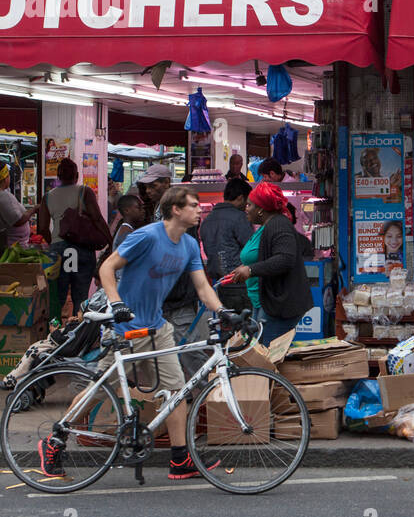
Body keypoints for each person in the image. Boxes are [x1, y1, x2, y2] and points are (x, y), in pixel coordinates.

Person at [89, 187, 231, 481]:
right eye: (193, 205)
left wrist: (224, 312)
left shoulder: (190, 245)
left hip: (157, 328)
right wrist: (116, 304)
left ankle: (180, 459)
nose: (199, 209)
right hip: (126, 328)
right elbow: (107, 267)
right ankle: (55, 440)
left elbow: (203, 288)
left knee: (177, 392)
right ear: (176, 210)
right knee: (97, 391)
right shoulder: (148, 236)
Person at [229, 182, 312, 344]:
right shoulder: (267, 226)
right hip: (266, 302)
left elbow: (285, 259)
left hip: (280, 306)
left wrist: (251, 270)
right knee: (258, 350)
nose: (246, 208)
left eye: (250, 205)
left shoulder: (279, 225)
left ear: (261, 209)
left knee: (266, 354)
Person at [37, 158, 109, 320]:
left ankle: (53, 331)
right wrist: (110, 240)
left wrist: (53, 244)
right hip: (82, 249)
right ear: (77, 175)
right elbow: (97, 219)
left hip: (59, 251)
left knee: (58, 296)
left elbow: (42, 228)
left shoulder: (47, 196)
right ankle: (79, 331)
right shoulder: (85, 192)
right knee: (81, 295)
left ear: (58, 176)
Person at [200, 178, 253, 312]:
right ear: (241, 198)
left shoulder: (208, 219)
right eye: (247, 202)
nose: (247, 206)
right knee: (245, 327)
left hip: (220, 283)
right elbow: (251, 249)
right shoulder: (240, 218)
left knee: (228, 324)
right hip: (240, 283)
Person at [0, 153, 35, 260]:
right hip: (10, 251)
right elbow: (18, 220)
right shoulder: (3, 197)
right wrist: (34, 210)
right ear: (5, 178)